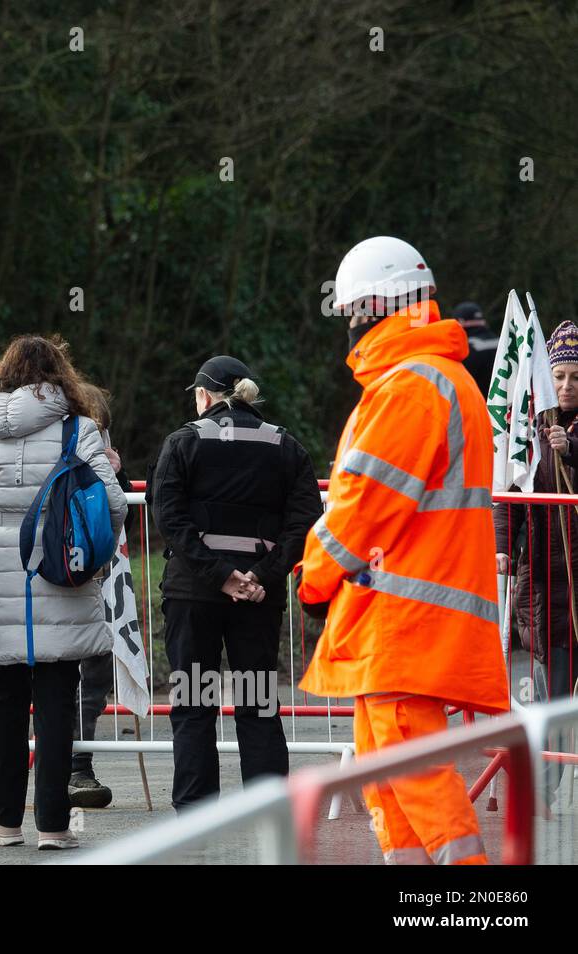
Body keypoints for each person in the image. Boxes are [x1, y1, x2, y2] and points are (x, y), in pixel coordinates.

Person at [299, 236, 509, 864]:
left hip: (402, 622)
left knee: (412, 775)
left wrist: (313, 579)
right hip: (411, 617)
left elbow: (362, 508)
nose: (351, 327)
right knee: (389, 777)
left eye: (354, 312)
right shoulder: (443, 380)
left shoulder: (408, 386)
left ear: (377, 307)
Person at [0, 335, 128, 850]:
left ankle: (4, 821)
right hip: (64, 571)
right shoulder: (79, 428)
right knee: (57, 703)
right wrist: (94, 554)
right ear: (60, 376)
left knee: (6, 704)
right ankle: (54, 826)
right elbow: (113, 503)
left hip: (6, 571)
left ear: (4, 375)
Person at [151, 355, 321, 811]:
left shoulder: (183, 442)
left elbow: (170, 517)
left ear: (204, 395)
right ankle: (269, 816)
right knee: (258, 704)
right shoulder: (286, 446)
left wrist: (219, 575)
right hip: (257, 600)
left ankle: (196, 817)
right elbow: (305, 520)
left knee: (193, 706)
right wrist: (261, 575)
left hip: (193, 595)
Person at [494, 319, 578, 806]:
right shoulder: (531, 428)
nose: (566, 387)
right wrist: (503, 543)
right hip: (548, 585)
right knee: (555, 693)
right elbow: (509, 488)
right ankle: (540, 796)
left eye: (575, 378)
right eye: (559, 377)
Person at [68, 383, 134, 809]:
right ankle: (68, 768)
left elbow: (120, 502)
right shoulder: (49, 442)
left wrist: (117, 473)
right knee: (60, 676)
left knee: (92, 677)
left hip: (97, 573)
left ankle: (79, 765)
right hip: (61, 573)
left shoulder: (98, 445)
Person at [452, 301, 497, 398]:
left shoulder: (464, 349)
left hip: (480, 407)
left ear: (460, 322)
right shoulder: (501, 341)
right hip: (508, 407)